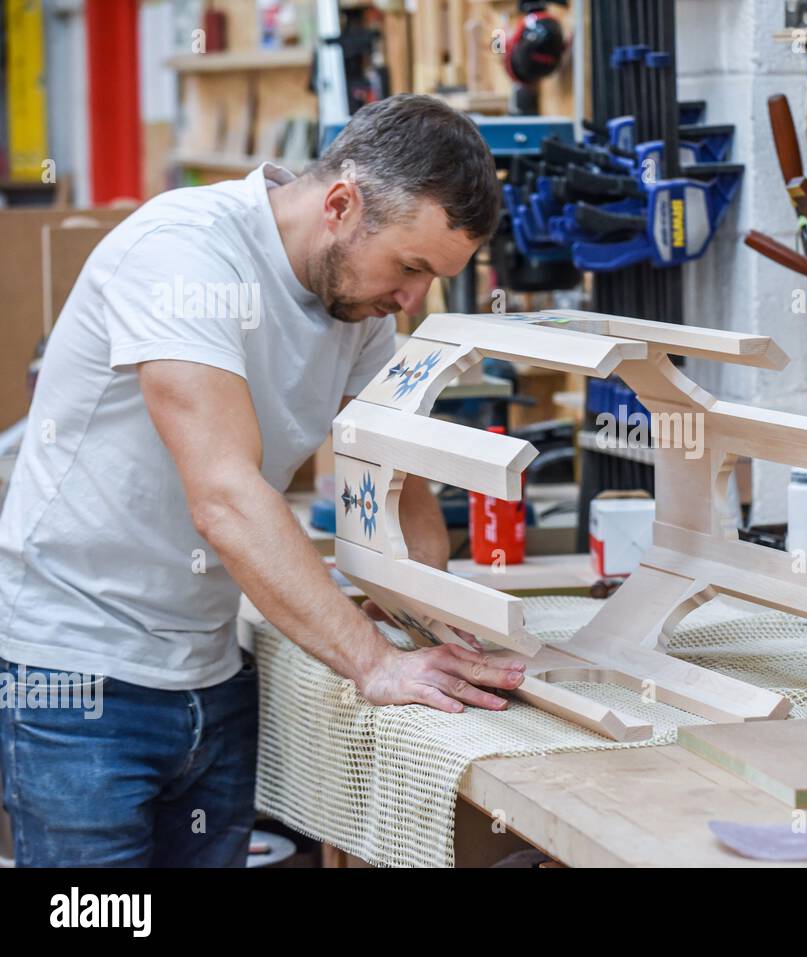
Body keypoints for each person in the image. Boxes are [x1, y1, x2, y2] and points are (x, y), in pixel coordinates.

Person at [0, 94, 525, 867]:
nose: (412, 300)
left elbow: (401, 478)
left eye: (431, 282)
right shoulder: (185, 256)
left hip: (212, 670)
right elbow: (226, 496)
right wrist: (377, 663)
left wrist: (427, 621)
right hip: (81, 678)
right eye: (411, 268)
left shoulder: (363, 308)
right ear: (342, 205)